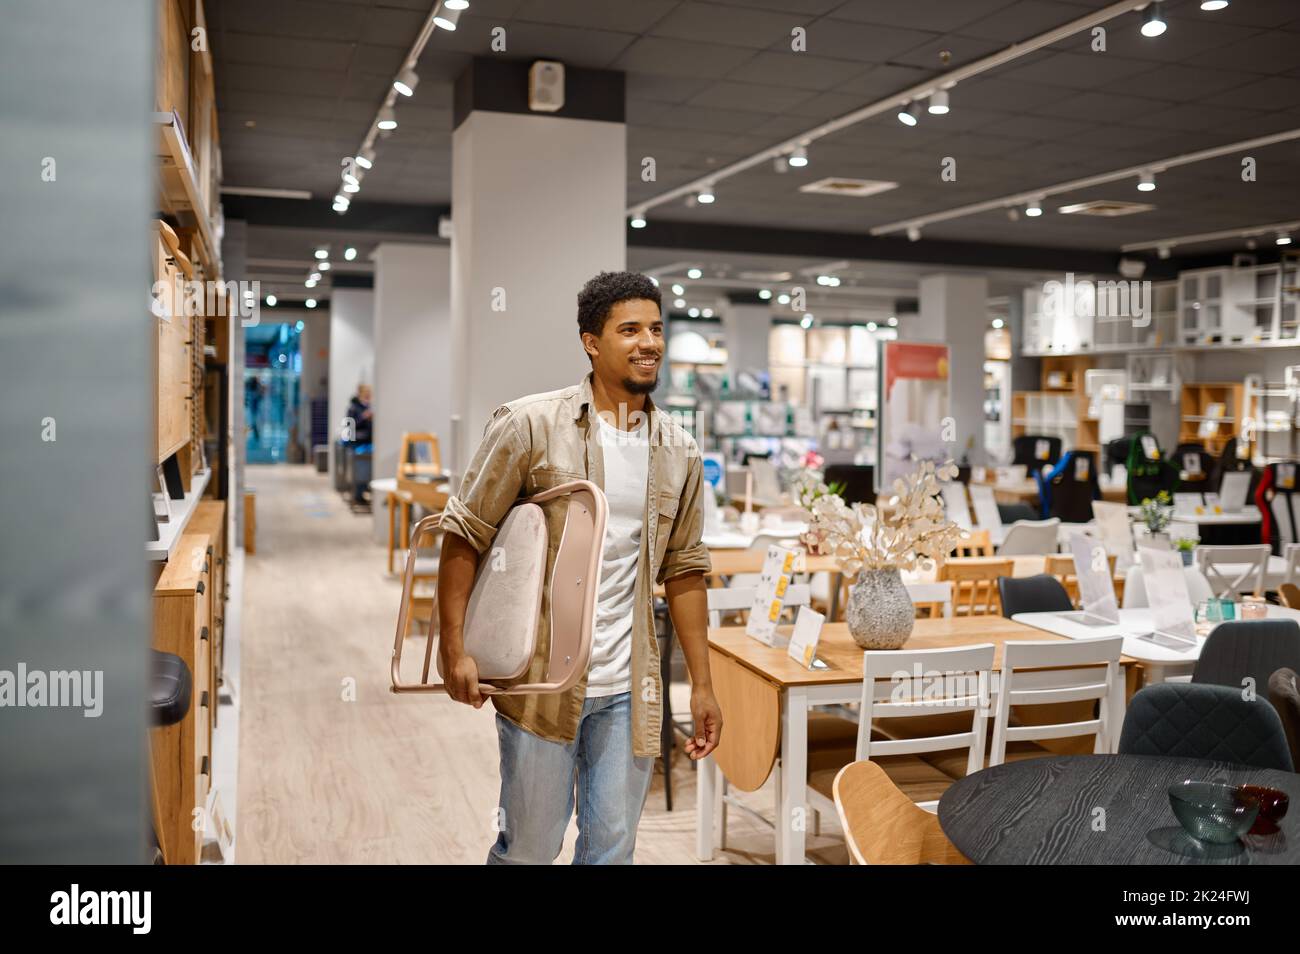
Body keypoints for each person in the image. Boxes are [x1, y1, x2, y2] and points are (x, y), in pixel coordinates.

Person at [437, 270, 723, 865]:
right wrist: (453, 644)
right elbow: (464, 534)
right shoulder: (530, 425)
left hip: (632, 686)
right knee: (529, 849)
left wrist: (701, 683)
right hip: (543, 680)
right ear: (592, 342)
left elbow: (686, 570)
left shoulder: (679, 447)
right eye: (630, 330)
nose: (649, 342)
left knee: (612, 851)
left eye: (656, 328)